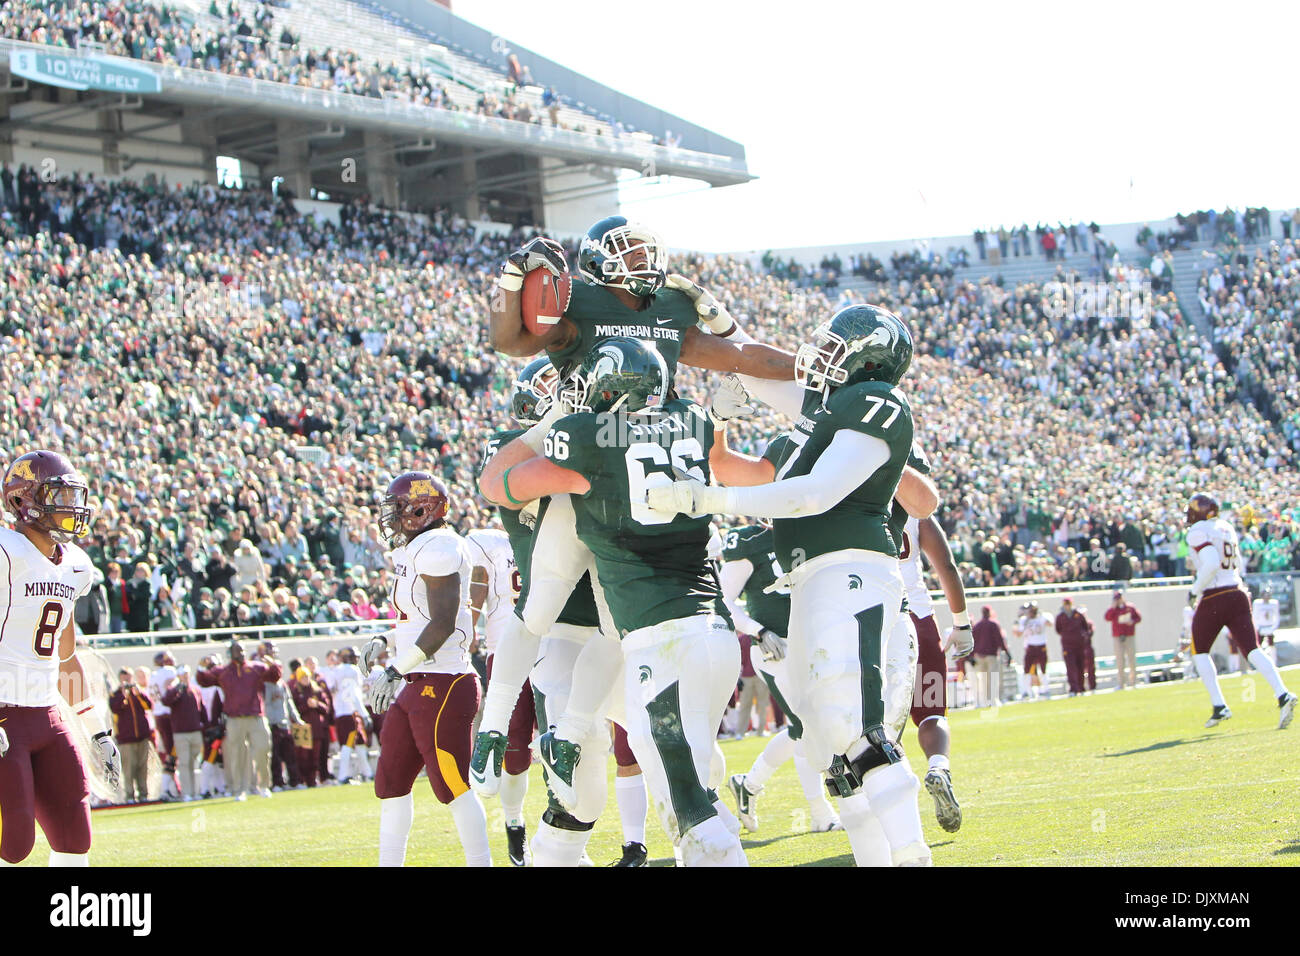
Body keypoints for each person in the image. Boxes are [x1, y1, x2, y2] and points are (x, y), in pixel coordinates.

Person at [647, 305, 937, 867]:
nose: (823, 351)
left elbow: (815, 493)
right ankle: (875, 858)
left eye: (837, 344)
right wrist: (726, 325)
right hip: (810, 577)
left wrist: (708, 501)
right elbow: (760, 377)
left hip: (851, 570)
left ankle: (911, 855)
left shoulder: (872, 402)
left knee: (856, 724)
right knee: (825, 739)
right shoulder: (827, 405)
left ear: (870, 358)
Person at [480, 337, 747, 867]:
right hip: (593, 633)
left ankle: (695, 839)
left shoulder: (581, 439)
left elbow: (498, 482)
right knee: (586, 795)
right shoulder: (643, 428)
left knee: (683, 771)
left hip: (623, 633)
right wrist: (712, 414)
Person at [470, 359, 619, 867]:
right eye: (553, 387)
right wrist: (558, 424)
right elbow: (510, 479)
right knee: (579, 761)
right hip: (554, 627)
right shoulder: (512, 446)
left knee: (656, 739)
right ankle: (560, 854)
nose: (565, 392)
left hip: (612, 621)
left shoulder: (602, 440)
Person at [362, 472, 492, 867]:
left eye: (400, 508)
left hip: (445, 681)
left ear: (422, 509)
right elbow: (417, 616)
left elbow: (443, 622)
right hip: (416, 680)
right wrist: (387, 639)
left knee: (452, 785)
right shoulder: (416, 547)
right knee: (390, 783)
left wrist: (394, 670)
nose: (394, 517)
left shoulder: (440, 546)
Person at [0, 450, 120, 865]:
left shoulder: (75, 566)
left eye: (72, 496)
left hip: (48, 715)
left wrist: (97, 730)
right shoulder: (6, 552)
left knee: (75, 835)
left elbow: (66, 658)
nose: (70, 507)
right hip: (4, 715)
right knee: (14, 841)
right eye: (58, 495)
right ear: (22, 501)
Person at [717, 515, 842, 835]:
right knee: (807, 727)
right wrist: (757, 631)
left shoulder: (808, 528)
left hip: (813, 644)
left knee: (808, 727)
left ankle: (749, 784)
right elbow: (723, 600)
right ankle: (818, 811)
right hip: (777, 648)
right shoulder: (748, 539)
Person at [1185, 495, 1296, 729]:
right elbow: (1237, 563)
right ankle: (1283, 693)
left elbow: (1212, 563)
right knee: (1252, 649)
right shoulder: (1226, 527)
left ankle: (1219, 705)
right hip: (1237, 590)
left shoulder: (1197, 530)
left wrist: (1195, 590)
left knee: (1199, 650)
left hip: (1215, 594)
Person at [466, 522, 533, 865]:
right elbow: (476, 587)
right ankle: (514, 824)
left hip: (556, 645)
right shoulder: (489, 541)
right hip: (506, 648)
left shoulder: (561, 525)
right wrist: (470, 625)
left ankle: (567, 832)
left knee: (565, 741)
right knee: (516, 749)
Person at [195, 639, 282, 799]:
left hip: (256, 716)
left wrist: (273, 664)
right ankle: (240, 789)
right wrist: (201, 667)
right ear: (231, 654)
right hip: (235, 719)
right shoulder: (223, 671)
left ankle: (264, 786)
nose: (241, 654)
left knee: (263, 749)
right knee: (237, 755)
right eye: (237, 651)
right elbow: (204, 680)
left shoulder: (255, 667)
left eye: (242, 650)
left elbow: (274, 676)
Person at [161, 665, 206, 800]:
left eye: (186, 674)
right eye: (182, 674)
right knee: (184, 763)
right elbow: (166, 701)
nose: (185, 677)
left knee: (194, 763)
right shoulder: (175, 690)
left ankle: (195, 791)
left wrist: (205, 726)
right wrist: (176, 689)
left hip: (195, 731)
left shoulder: (195, 690)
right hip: (181, 733)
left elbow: (201, 709)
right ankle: (187, 792)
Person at [970, 606, 1011, 708]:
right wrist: (1007, 653)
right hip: (991, 655)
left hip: (979, 656)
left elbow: (973, 642)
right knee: (993, 678)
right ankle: (993, 700)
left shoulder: (977, 625)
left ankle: (985, 701)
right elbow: (1000, 640)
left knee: (984, 679)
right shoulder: (993, 624)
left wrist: (971, 656)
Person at [1055, 598, 1094, 696]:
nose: (1067, 606)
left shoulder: (1078, 614)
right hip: (1068, 645)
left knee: (1081, 666)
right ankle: (1074, 688)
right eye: (1066, 604)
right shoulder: (1060, 617)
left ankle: (1081, 687)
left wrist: (1081, 637)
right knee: (1070, 666)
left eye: (1069, 604)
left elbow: (1085, 627)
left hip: (1079, 644)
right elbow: (1058, 629)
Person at [1104, 590, 1142, 689]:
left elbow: (1138, 618)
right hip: (1118, 637)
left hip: (1129, 635)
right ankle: (1121, 683)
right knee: (1120, 660)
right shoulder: (1113, 609)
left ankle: (1133, 682)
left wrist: (1132, 621)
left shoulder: (1130, 607)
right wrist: (1112, 608)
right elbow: (1107, 618)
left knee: (1131, 659)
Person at [1013, 602, 1050, 699]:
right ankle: (1027, 691)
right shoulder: (1024, 620)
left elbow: (1050, 623)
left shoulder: (1042, 617)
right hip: (1030, 646)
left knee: (1043, 668)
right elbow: (1018, 634)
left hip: (1041, 645)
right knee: (1027, 669)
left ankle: (1045, 689)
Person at [1252, 585, 1281, 664]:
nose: (1267, 597)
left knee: (1271, 645)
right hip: (1261, 627)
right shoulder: (1257, 603)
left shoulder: (1274, 603)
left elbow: (1277, 616)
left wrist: (1273, 627)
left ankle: (1274, 662)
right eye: (1265, 595)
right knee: (1259, 646)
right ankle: (1259, 663)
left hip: (1270, 627)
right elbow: (1254, 616)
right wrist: (1257, 627)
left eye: (1268, 595)